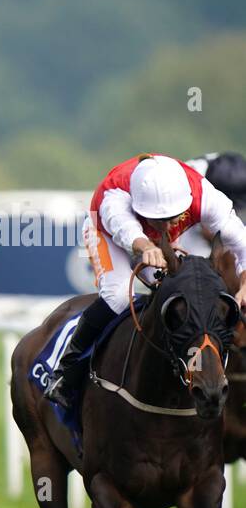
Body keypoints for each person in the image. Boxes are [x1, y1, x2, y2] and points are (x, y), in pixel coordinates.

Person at [44, 153, 246, 409]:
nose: (169, 224)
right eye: (159, 219)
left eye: (174, 217)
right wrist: (145, 246)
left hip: (158, 242)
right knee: (117, 297)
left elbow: (241, 243)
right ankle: (66, 372)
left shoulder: (206, 196)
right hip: (108, 233)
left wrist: (244, 285)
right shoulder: (115, 198)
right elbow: (125, 231)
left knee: (180, 294)